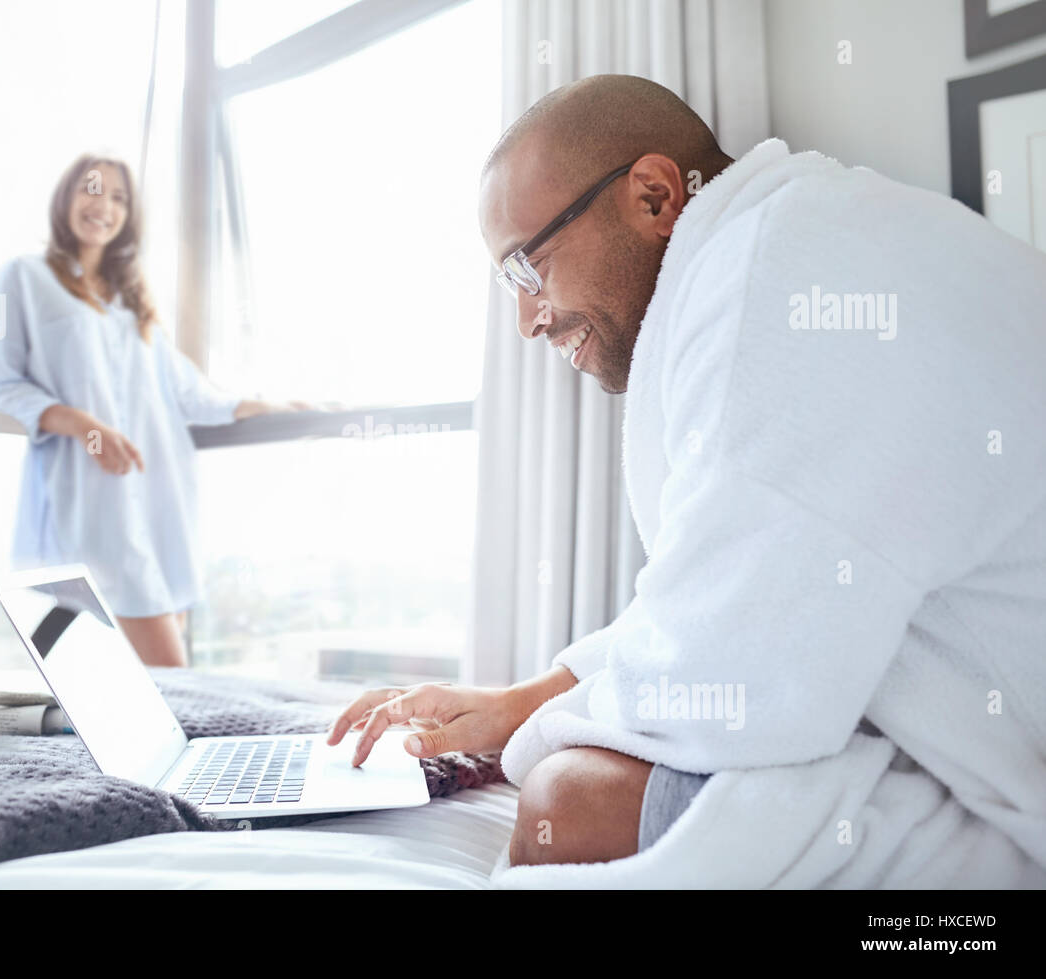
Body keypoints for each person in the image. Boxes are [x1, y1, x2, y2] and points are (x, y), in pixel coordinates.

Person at [328, 74, 1046, 881]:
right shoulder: (805, 233)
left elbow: (724, 681)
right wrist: (510, 708)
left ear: (653, 194)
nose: (529, 319)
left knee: (570, 802)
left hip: (1023, 810)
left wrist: (528, 744)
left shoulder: (785, 273)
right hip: (996, 752)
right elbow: (719, 601)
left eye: (530, 269)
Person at [0, 153, 302, 667]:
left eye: (119, 198)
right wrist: (85, 426)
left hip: (160, 497)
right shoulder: (23, 277)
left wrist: (259, 405)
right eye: (93, 189)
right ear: (66, 195)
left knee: (136, 682)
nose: (104, 206)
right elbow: (4, 385)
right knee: (173, 675)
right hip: (91, 500)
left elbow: (186, 392)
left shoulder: (130, 300)